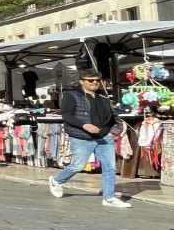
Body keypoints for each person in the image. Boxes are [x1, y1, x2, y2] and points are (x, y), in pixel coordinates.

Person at [49, 70, 130, 208]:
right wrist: (84, 125)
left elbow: (113, 116)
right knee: (78, 166)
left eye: (97, 80)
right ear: (82, 81)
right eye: (90, 80)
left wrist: (113, 131)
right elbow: (67, 116)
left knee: (110, 167)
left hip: (104, 137)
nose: (94, 83)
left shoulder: (103, 97)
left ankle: (109, 197)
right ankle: (57, 180)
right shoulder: (72, 95)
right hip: (82, 137)